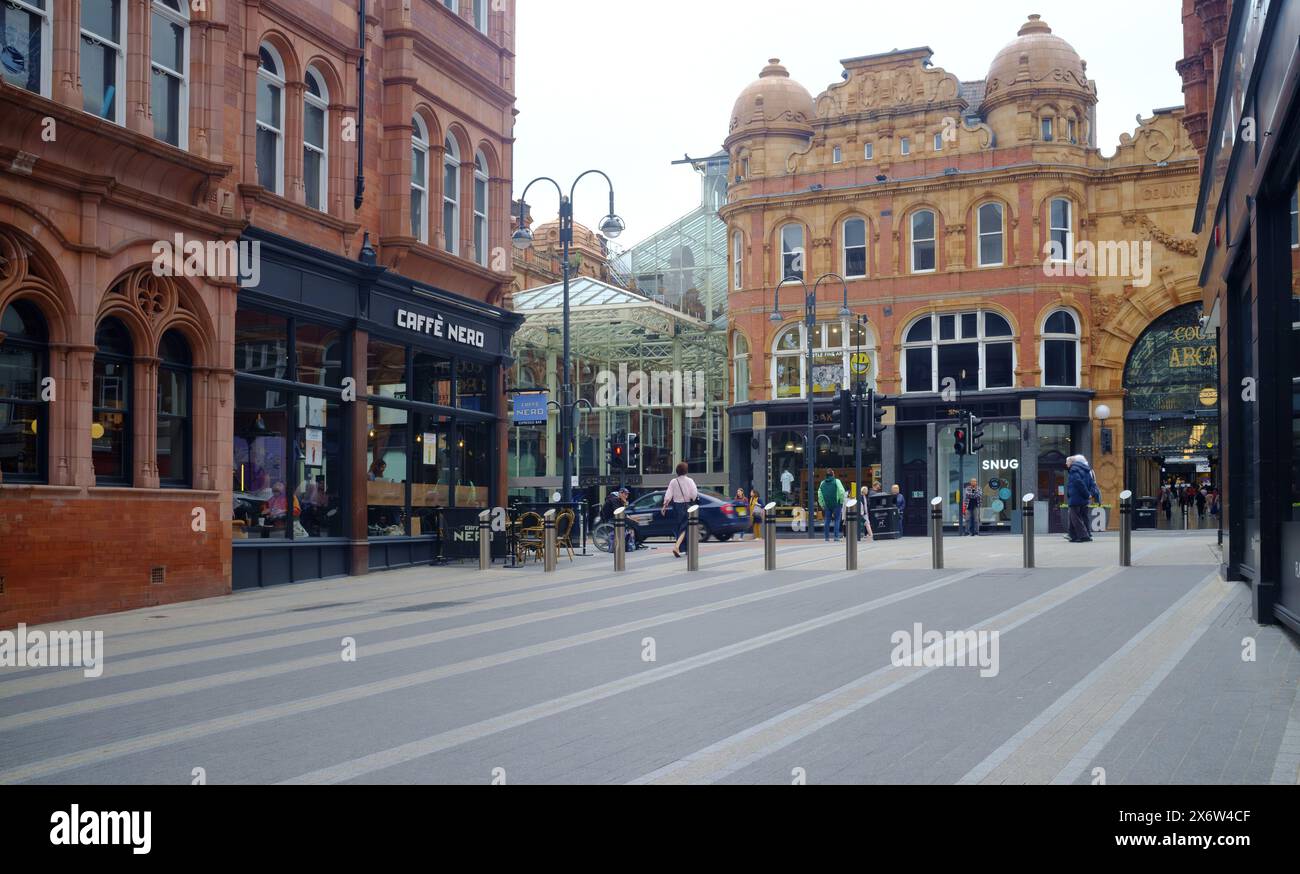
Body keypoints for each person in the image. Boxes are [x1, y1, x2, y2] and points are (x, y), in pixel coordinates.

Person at [662, 462, 699, 559]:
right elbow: (694, 494)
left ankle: (685, 548)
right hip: (686, 505)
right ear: (686, 470)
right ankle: (677, 547)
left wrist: (664, 506)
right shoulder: (690, 481)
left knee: (680, 526)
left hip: (676, 506)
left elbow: (668, 494)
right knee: (685, 527)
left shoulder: (673, 481)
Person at [1065, 455, 1101, 542]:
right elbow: (1092, 483)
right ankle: (1074, 536)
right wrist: (1090, 494)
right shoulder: (1086, 470)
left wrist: (1087, 494)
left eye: (1067, 462)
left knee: (1075, 517)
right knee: (1078, 517)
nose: (1066, 463)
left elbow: (1078, 482)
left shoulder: (1074, 470)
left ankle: (1084, 536)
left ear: (1072, 462)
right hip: (1083, 499)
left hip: (1076, 498)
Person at [601, 487, 636, 552]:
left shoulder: (619, 500)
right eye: (625, 494)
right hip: (609, 517)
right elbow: (618, 511)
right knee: (629, 522)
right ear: (620, 493)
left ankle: (630, 542)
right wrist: (624, 504)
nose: (626, 496)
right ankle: (627, 543)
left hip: (614, 516)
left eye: (627, 494)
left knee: (632, 522)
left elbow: (622, 512)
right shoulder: (614, 499)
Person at [817, 470, 846, 543]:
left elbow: (819, 494)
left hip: (827, 504)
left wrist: (822, 504)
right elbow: (842, 492)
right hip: (836, 503)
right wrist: (842, 501)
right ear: (833, 474)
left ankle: (826, 538)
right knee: (837, 520)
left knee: (827, 520)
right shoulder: (837, 481)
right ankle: (836, 537)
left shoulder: (822, 483)